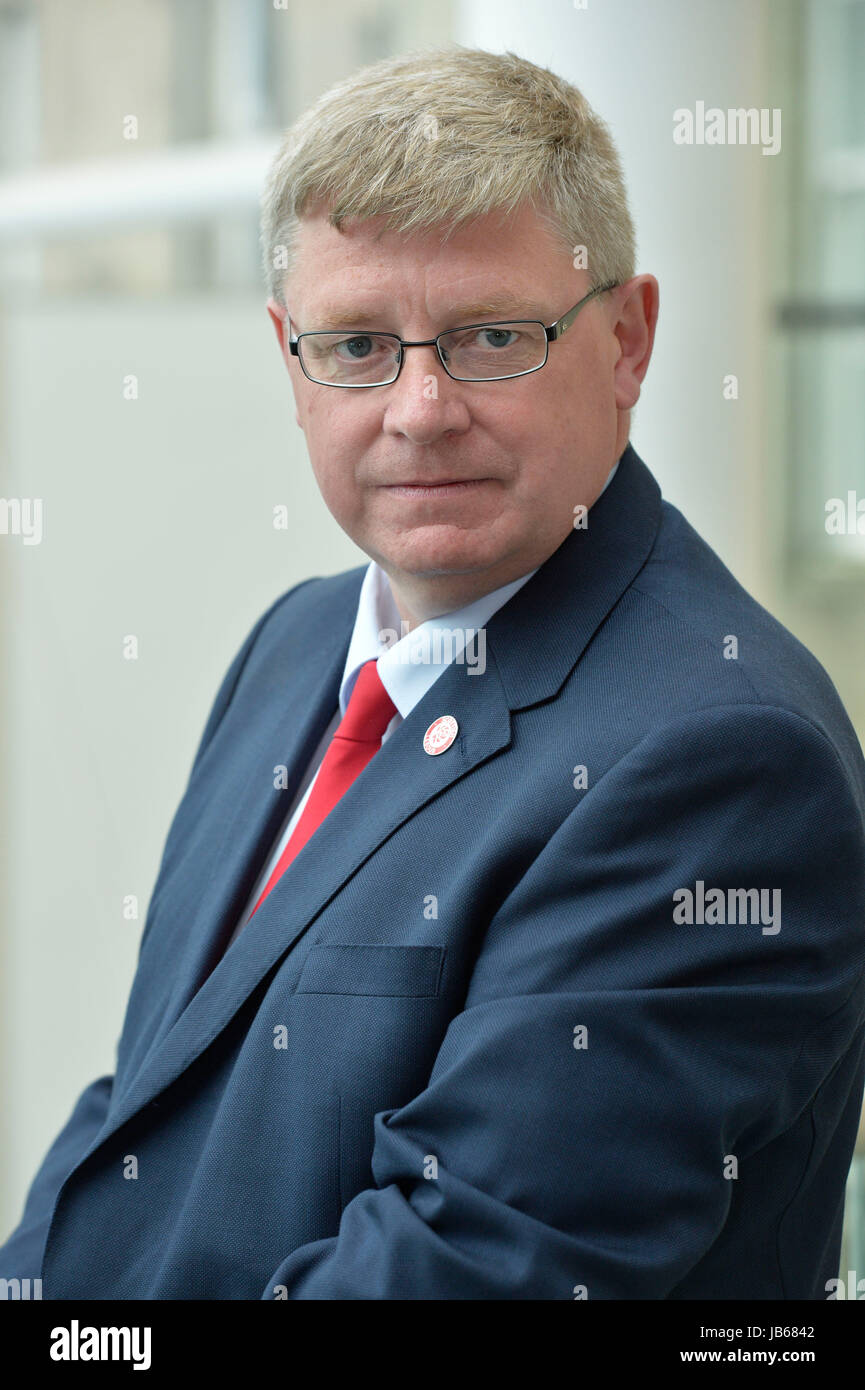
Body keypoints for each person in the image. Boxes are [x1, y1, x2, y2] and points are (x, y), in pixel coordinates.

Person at [2, 44, 864, 1301]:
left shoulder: (717, 764)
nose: (417, 410)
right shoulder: (295, 648)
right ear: (287, 358)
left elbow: (463, 1273)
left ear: (628, 340)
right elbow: (147, 1112)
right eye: (354, 345)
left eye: (491, 337)